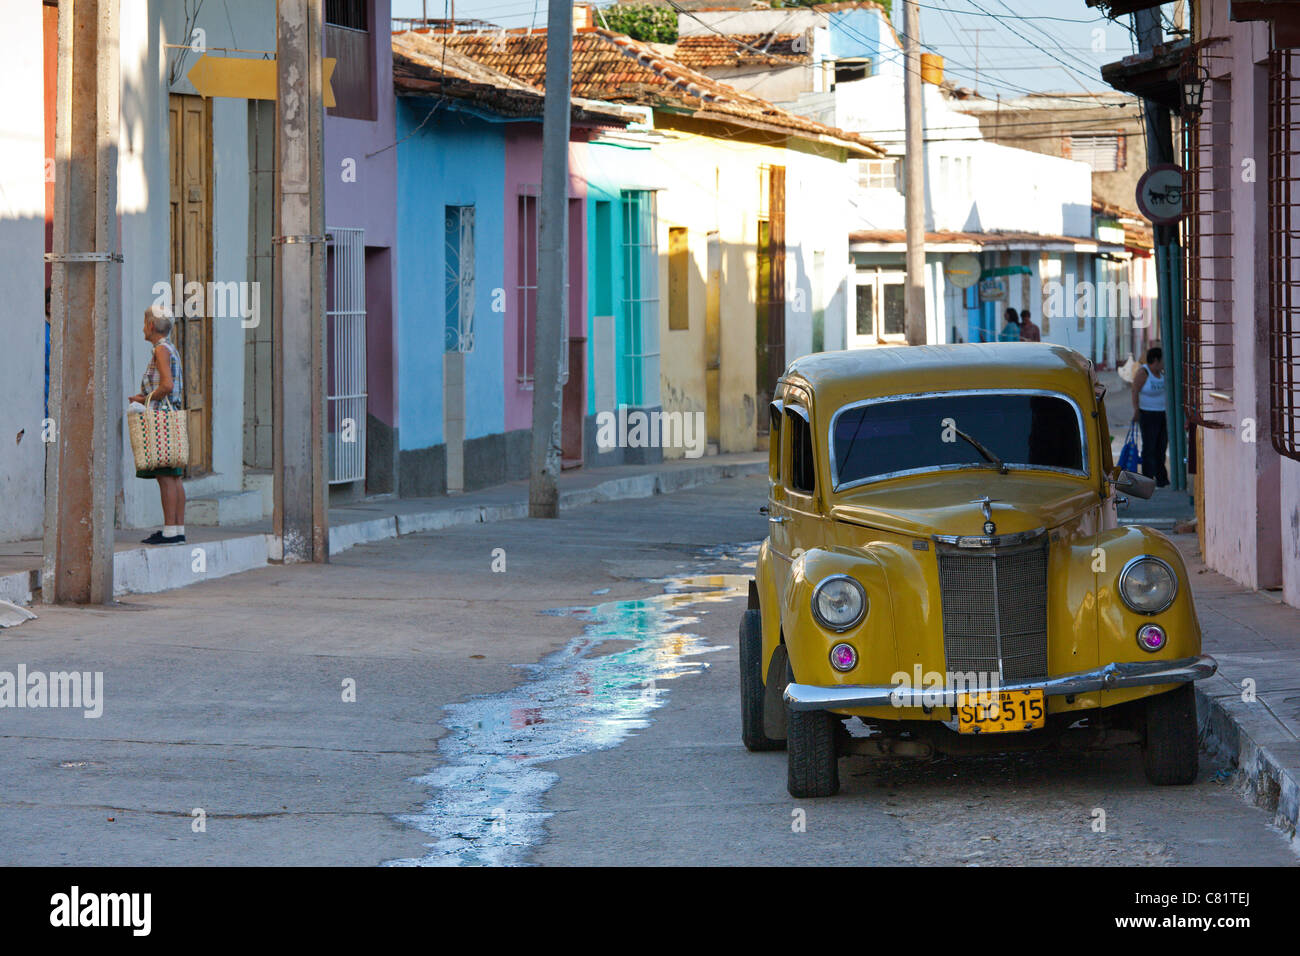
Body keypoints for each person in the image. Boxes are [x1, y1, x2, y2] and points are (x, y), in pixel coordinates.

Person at [129, 305, 187, 544]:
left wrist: (145, 399)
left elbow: (167, 385)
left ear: (151, 326)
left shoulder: (161, 350)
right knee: (174, 477)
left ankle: (170, 531)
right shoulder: (169, 348)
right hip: (172, 417)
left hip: (161, 420)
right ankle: (177, 529)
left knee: (165, 477)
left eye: (145, 323)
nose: (143, 328)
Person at [1131, 345, 1169, 488]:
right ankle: (1147, 479)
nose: (1164, 363)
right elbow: (1134, 391)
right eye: (1162, 361)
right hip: (1148, 414)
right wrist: (1136, 410)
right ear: (1155, 360)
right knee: (1149, 447)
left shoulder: (1162, 373)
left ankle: (1161, 479)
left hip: (1162, 413)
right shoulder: (1143, 373)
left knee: (1161, 447)